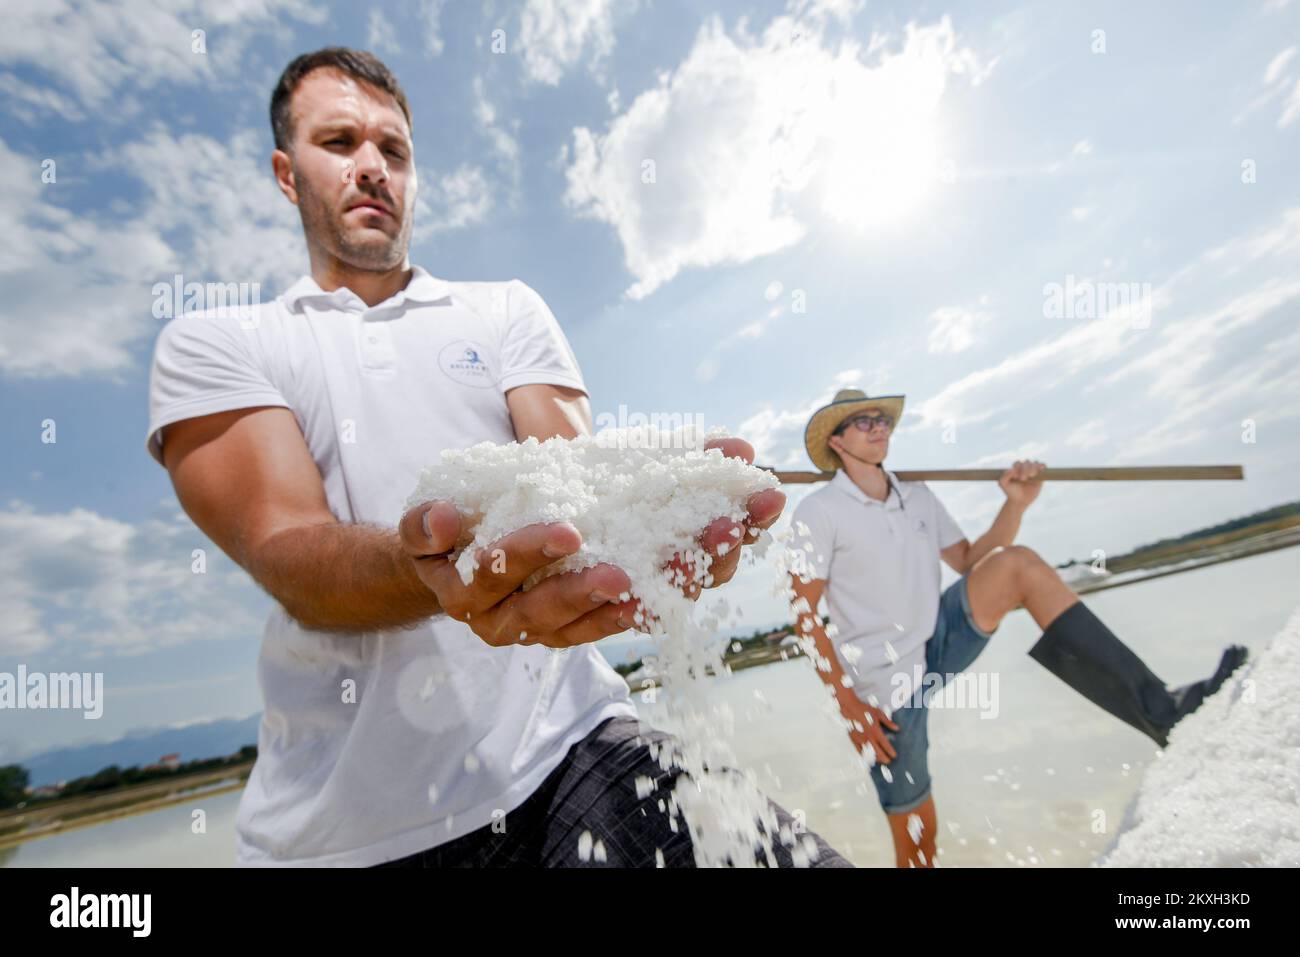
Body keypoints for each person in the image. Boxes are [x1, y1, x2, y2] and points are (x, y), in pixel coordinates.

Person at [145, 47, 848, 868]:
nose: (371, 166)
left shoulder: (505, 310)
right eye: (338, 142)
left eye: (393, 149)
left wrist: (662, 506)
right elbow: (287, 544)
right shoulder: (220, 342)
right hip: (350, 837)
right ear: (285, 170)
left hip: (573, 745)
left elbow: (573, 475)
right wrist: (443, 566)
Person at [788, 387, 1247, 868]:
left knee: (1018, 565)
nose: (879, 426)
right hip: (882, 682)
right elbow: (803, 615)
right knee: (918, 835)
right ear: (836, 443)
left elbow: (968, 561)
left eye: (881, 418)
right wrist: (849, 706)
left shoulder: (916, 494)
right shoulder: (818, 513)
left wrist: (1017, 504)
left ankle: (1162, 709)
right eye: (862, 422)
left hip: (939, 635)